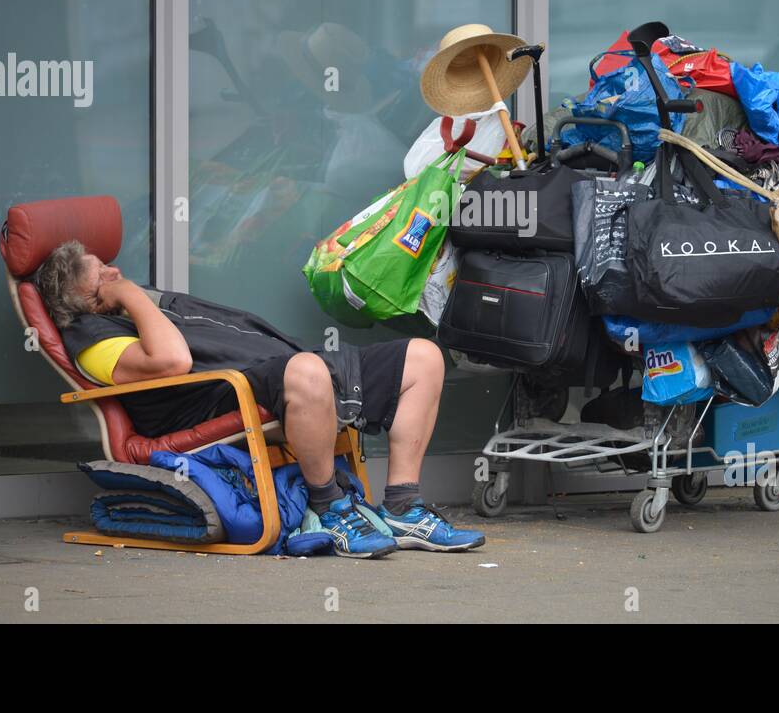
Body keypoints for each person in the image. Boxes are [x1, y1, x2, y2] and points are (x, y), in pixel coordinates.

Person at [34, 240, 484, 560]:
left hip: (266, 375)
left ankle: (403, 507)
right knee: (307, 371)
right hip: (213, 397)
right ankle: (329, 509)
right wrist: (130, 294)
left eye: (111, 268)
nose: (117, 274)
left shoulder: (137, 309)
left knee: (423, 358)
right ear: (87, 300)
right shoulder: (91, 338)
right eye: (104, 277)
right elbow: (171, 362)